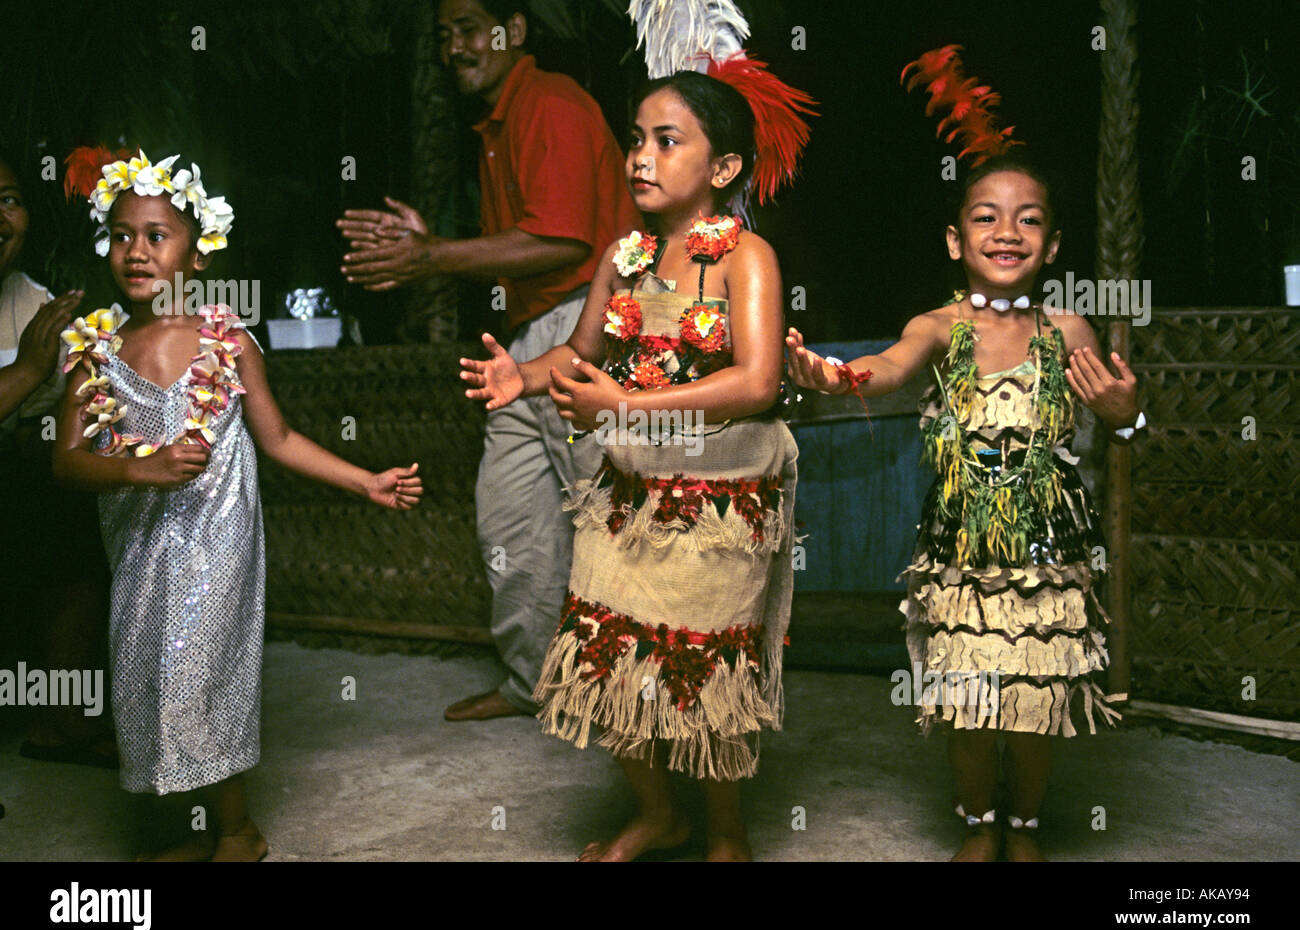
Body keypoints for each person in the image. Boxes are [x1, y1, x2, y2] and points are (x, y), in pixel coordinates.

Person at [461, 68, 804, 862]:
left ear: (722, 169)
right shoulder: (625, 257)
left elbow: (755, 382)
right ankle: (657, 813)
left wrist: (621, 408)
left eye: (666, 140)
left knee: (705, 664)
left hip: (721, 503)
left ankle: (725, 831)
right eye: (636, 140)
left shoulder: (746, 259)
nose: (639, 157)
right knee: (609, 651)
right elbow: (581, 357)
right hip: (628, 494)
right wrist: (526, 375)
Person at [53, 148, 424, 861]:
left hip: (217, 539)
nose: (136, 251)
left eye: (157, 236)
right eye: (122, 235)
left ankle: (235, 831)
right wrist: (141, 470)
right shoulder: (94, 351)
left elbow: (278, 438)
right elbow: (66, 463)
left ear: (198, 254)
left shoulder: (226, 341)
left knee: (202, 671)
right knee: (148, 675)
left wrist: (365, 480)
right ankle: (192, 827)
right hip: (138, 546)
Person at [786, 154, 1140, 861]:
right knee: (971, 704)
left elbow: (1119, 416)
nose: (1007, 232)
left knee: (1037, 701)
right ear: (955, 240)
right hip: (961, 558)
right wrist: (835, 376)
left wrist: (1124, 415)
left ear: (1054, 245)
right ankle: (980, 825)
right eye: (986, 217)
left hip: (1050, 556)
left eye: (1028, 219)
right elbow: (887, 366)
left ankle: (1026, 828)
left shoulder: (1068, 331)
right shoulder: (940, 326)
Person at [337, 0, 641, 722]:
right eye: (444, 36)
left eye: (470, 28)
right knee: (511, 519)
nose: (454, 47)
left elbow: (565, 241)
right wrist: (430, 244)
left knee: (604, 518)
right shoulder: (497, 125)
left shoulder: (552, 104)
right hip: (529, 336)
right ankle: (537, 682)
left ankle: (632, 697)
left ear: (516, 28)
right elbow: (519, 243)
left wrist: (430, 257)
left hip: (588, 328)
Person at [0, 150, 119, 773]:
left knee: (68, 508)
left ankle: (61, 718)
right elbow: (28, 383)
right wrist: (23, 371)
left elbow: (43, 420)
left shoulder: (35, 301)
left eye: (9, 199)